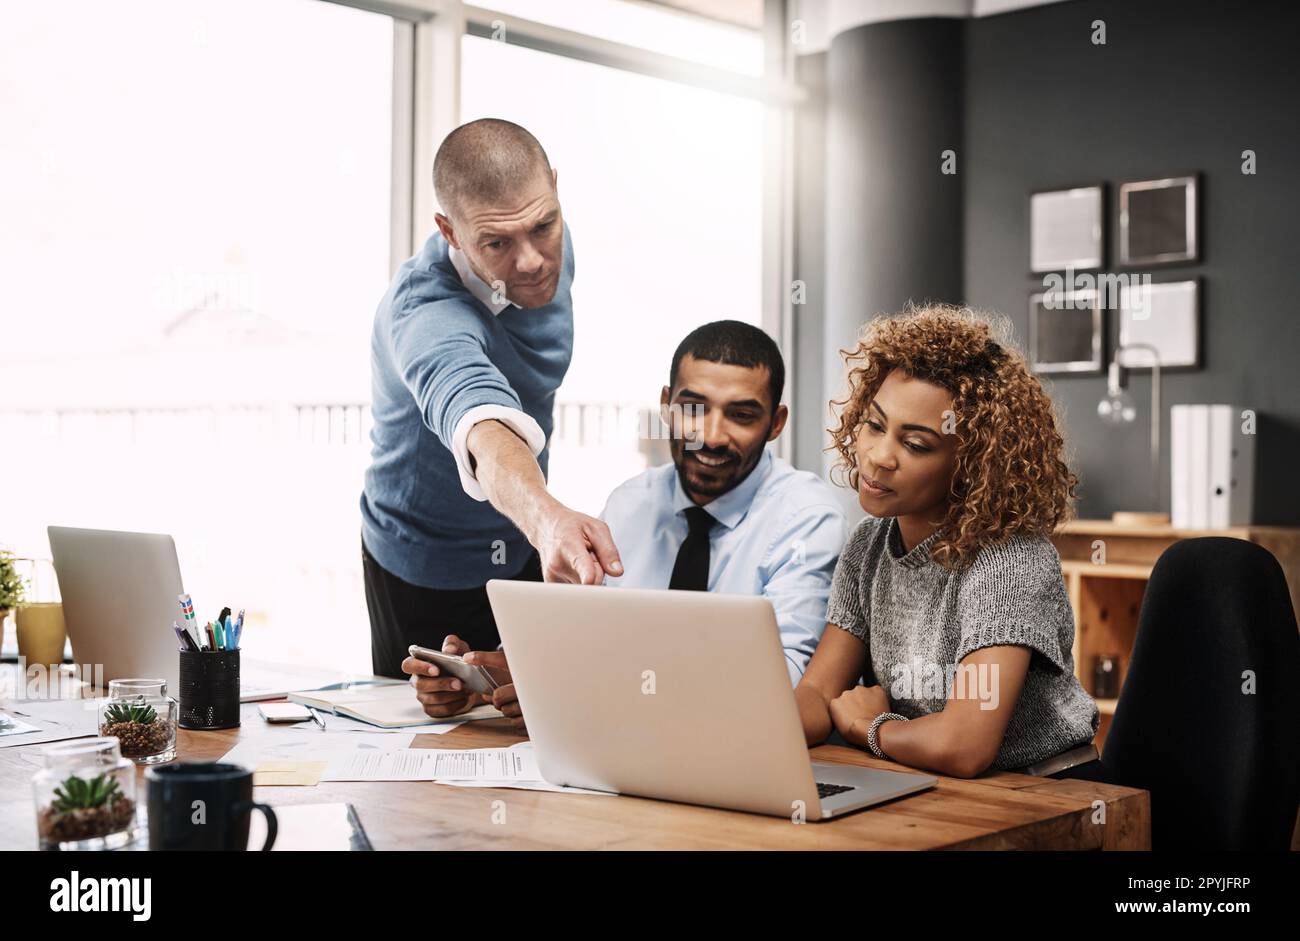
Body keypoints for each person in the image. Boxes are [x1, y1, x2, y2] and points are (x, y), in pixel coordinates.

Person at [409, 320, 847, 727]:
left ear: (776, 424)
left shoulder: (807, 517)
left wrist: (583, 688)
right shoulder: (632, 502)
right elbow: (581, 639)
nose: (711, 436)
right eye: (693, 408)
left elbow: (786, 682)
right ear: (665, 406)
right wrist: (491, 679)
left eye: (742, 415)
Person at [361, 118, 622, 680]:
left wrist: (539, 527)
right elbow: (483, 423)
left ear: (552, 188)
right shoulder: (425, 314)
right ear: (450, 231)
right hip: (421, 562)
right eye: (497, 243)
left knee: (531, 723)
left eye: (543, 225)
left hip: (522, 539)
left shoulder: (542, 240)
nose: (530, 261)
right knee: (426, 740)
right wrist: (548, 517)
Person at [794, 303, 1100, 778]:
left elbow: (963, 746)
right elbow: (818, 694)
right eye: (874, 425)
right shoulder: (869, 544)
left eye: (915, 445)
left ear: (973, 463)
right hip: (928, 777)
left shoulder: (1008, 561)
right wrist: (744, 724)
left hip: (1042, 792)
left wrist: (869, 727)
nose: (877, 457)